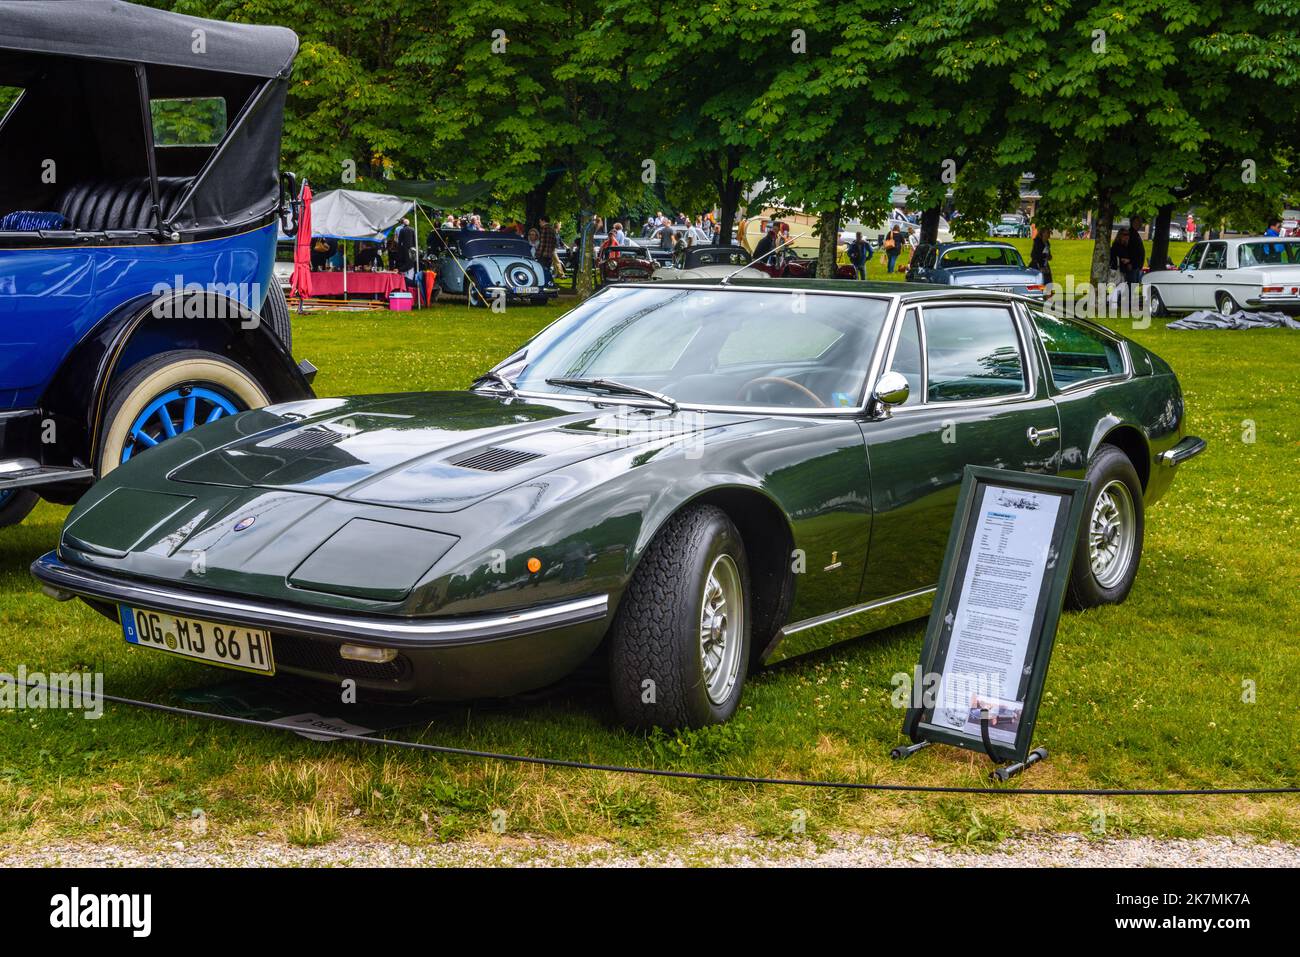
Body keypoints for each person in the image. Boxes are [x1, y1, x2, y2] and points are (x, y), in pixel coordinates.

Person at [396, 217, 419, 306]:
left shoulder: (401, 230)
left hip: (404, 248)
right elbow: (414, 240)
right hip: (412, 248)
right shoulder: (413, 230)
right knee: (410, 264)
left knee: (406, 266)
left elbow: (400, 240)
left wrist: (399, 247)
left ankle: (405, 283)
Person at [1029, 223, 1052, 295]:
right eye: (1047, 232)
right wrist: (1041, 266)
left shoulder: (1047, 243)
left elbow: (1048, 254)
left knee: (1048, 282)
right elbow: (1034, 255)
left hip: (1045, 265)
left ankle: (1047, 296)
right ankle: (1039, 295)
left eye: (1049, 232)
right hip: (1037, 265)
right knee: (1040, 281)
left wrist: (1049, 256)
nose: (1049, 234)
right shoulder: (1038, 242)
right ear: (1042, 233)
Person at [536, 215, 558, 286]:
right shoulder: (552, 229)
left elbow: (542, 243)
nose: (539, 223)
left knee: (541, 271)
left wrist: (538, 254)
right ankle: (548, 284)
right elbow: (555, 242)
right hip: (549, 254)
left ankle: (542, 285)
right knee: (547, 270)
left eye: (540, 221)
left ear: (543, 221)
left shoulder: (544, 228)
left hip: (543, 255)